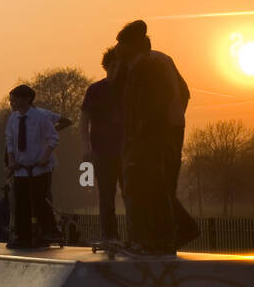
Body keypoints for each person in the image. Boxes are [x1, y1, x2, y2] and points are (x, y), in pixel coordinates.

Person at [114, 20, 199, 254]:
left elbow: (153, 103)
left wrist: (152, 126)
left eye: (121, 44)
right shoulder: (144, 65)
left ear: (132, 46)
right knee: (155, 184)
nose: (118, 48)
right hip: (163, 129)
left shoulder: (150, 65)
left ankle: (155, 239)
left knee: (147, 184)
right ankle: (161, 237)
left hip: (155, 132)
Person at [4, 85, 61, 247]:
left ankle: (49, 232)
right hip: (21, 169)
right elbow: (9, 141)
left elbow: (53, 139)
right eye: (11, 100)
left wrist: (44, 158)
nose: (12, 103)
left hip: (39, 168)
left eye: (15, 99)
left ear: (27, 99)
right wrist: (12, 161)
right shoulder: (13, 119)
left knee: (40, 200)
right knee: (21, 203)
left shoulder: (40, 117)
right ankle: (23, 235)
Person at [80, 46, 125, 242]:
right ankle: (110, 235)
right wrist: (86, 148)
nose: (117, 70)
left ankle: (136, 236)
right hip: (102, 151)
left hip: (126, 151)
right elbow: (84, 120)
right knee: (106, 196)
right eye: (113, 66)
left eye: (120, 66)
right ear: (106, 67)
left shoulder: (128, 89)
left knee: (131, 196)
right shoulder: (95, 90)